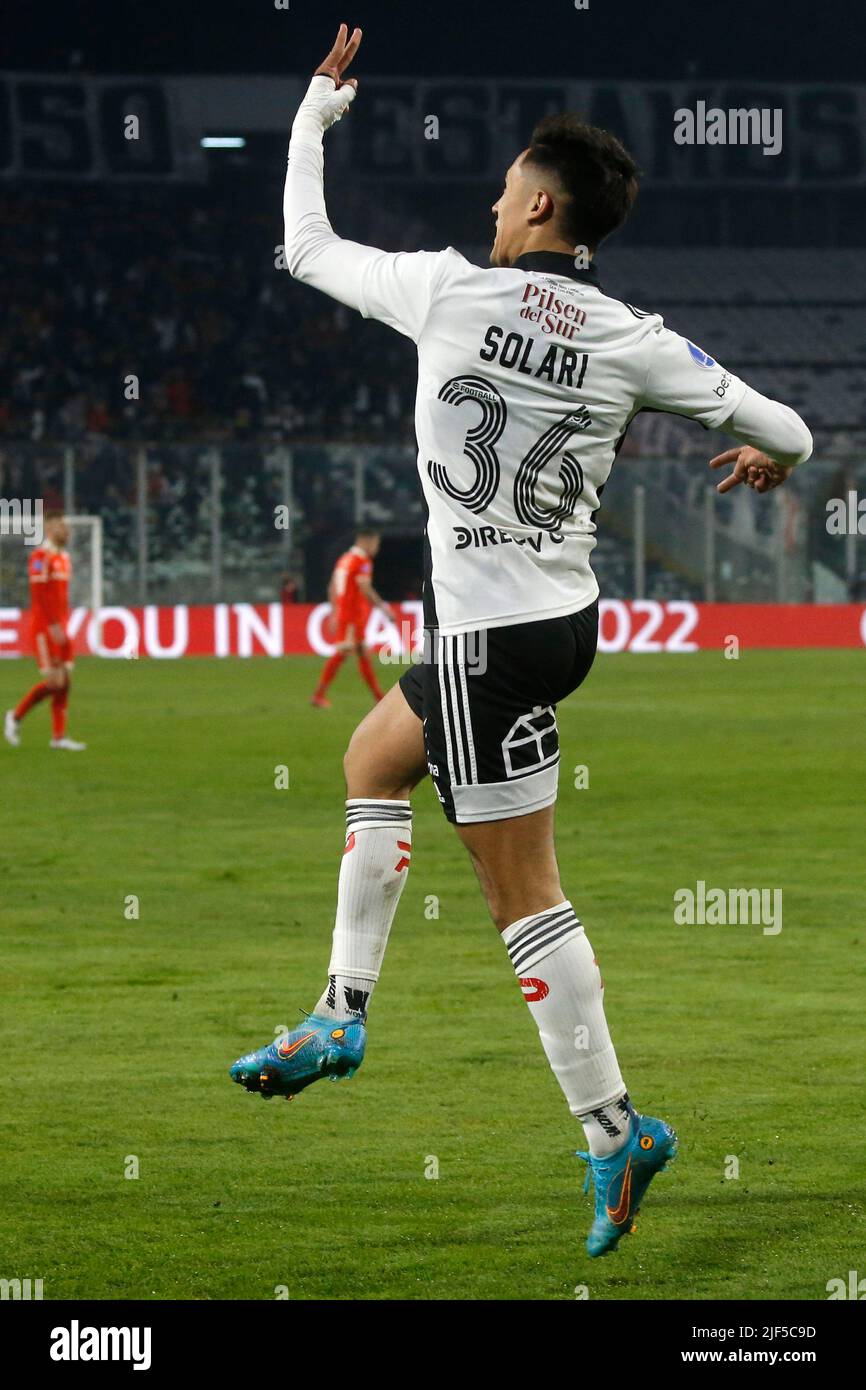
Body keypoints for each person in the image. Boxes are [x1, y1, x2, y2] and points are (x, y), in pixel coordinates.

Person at [230, 27, 813, 1257]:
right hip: (557, 621)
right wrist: (769, 459)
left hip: (482, 641)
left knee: (522, 896)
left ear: (539, 201)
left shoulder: (448, 288)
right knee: (371, 759)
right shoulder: (633, 336)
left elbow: (302, 244)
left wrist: (310, 120)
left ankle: (612, 1131)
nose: (489, 199)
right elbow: (790, 427)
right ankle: (339, 1010)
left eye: (503, 185)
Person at [4, 509, 86, 752]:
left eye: (66, 525)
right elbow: (39, 596)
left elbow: (60, 596)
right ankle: (15, 716)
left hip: (61, 626)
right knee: (54, 681)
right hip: (45, 627)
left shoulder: (64, 558)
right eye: (59, 525)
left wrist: (62, 624)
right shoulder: (39, 557)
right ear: (49, 529)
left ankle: (59, 737)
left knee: (65, 682)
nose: (65, 529)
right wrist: (52, 625)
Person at [311, 529, 395, 707]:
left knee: (363, 654)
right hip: (353, 616)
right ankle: (318, 694)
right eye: (376, 543)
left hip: (345, 613)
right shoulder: (362, 561)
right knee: (343, 652)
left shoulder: (344, 559)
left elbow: (332, 586)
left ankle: (379, 697)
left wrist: (335, 611)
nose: (377, 548)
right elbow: (364, 587)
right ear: (366, 540)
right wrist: (383, 608)